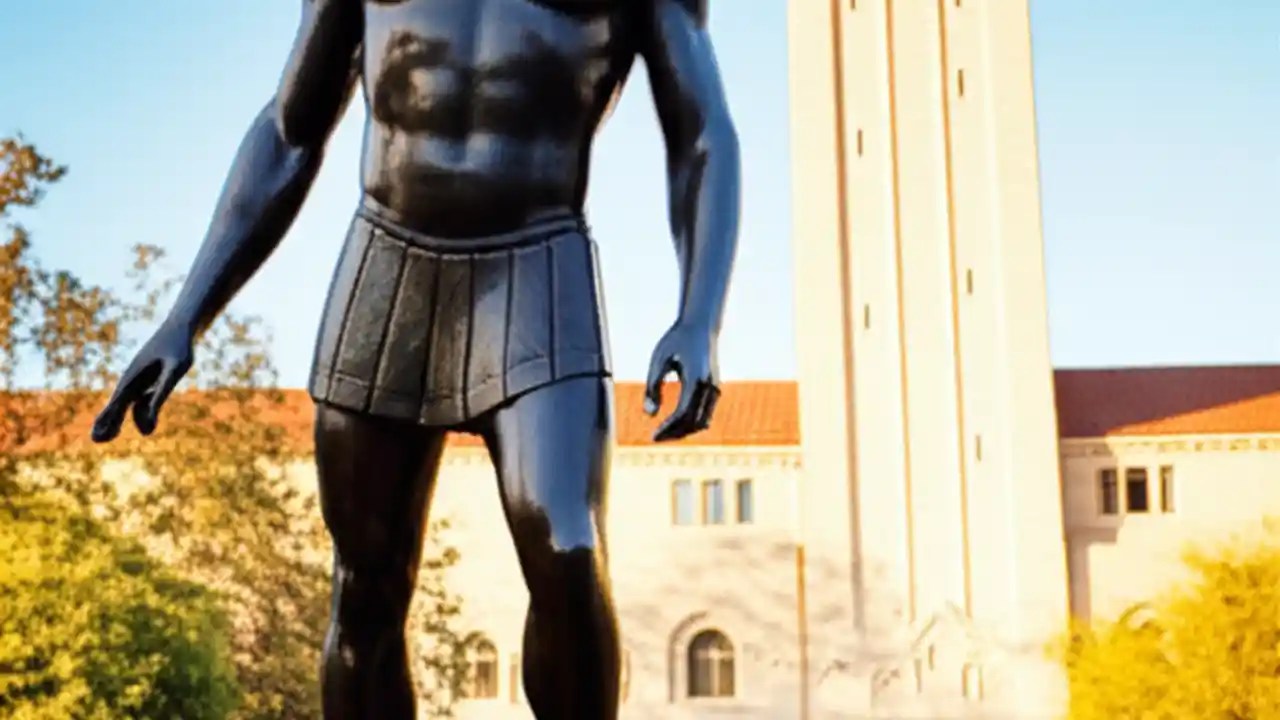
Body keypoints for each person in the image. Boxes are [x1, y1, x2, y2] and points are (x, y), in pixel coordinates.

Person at [91, 1, 740, 717]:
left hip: (538, 265)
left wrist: (700, 316)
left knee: (568, 554)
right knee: (365, 587)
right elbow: (288, 131)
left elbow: (701, 134)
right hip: (387, 264)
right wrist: (187, 314)